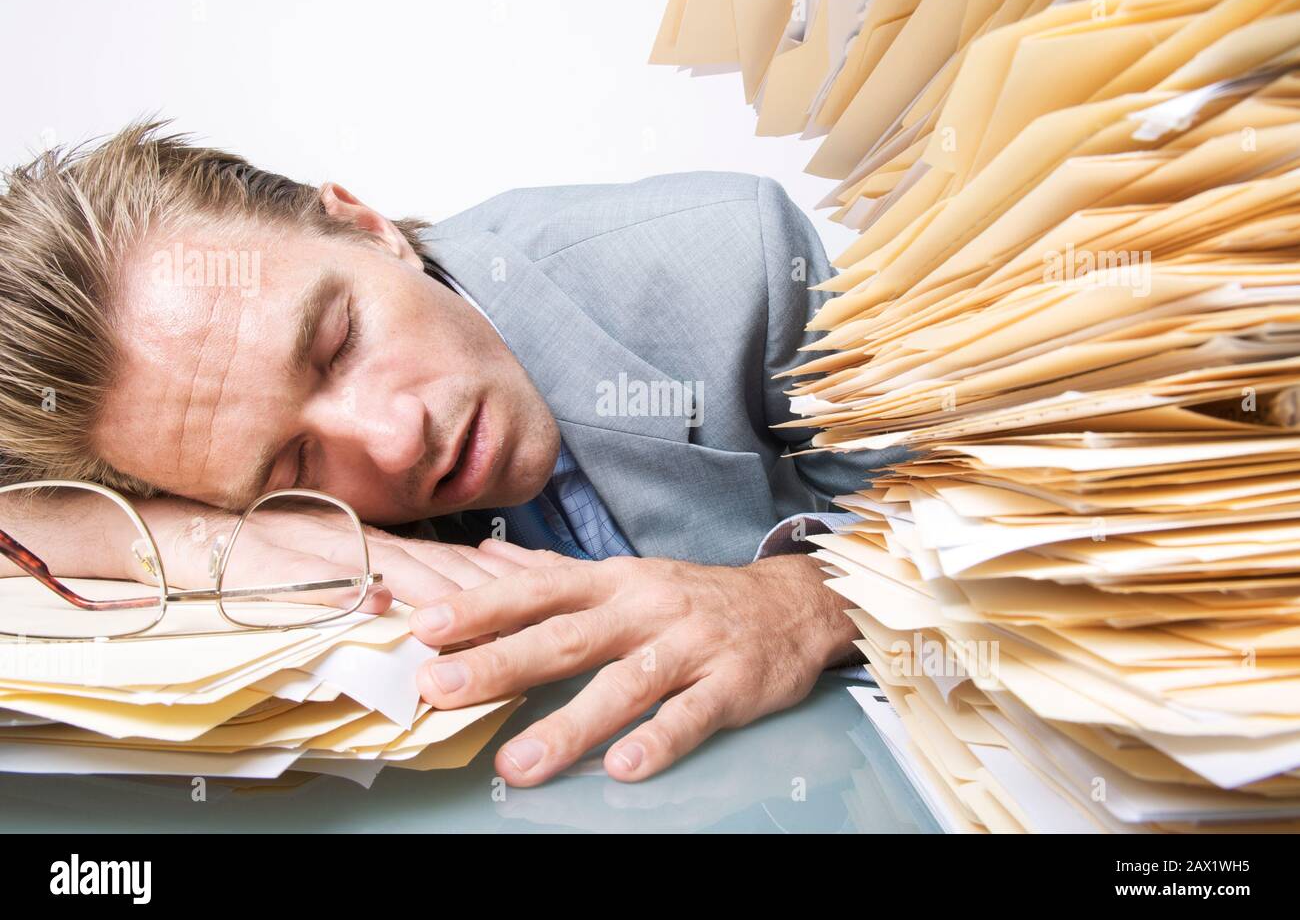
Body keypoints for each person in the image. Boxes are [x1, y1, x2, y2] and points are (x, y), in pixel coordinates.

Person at [0, 123, 901, 786]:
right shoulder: (195, 459)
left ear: (365, 226)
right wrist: (185, 538)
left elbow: (1019, 523)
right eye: (287, 465)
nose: (395, 438)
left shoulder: (735, 256)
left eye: (338, 339)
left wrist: (800, 599)